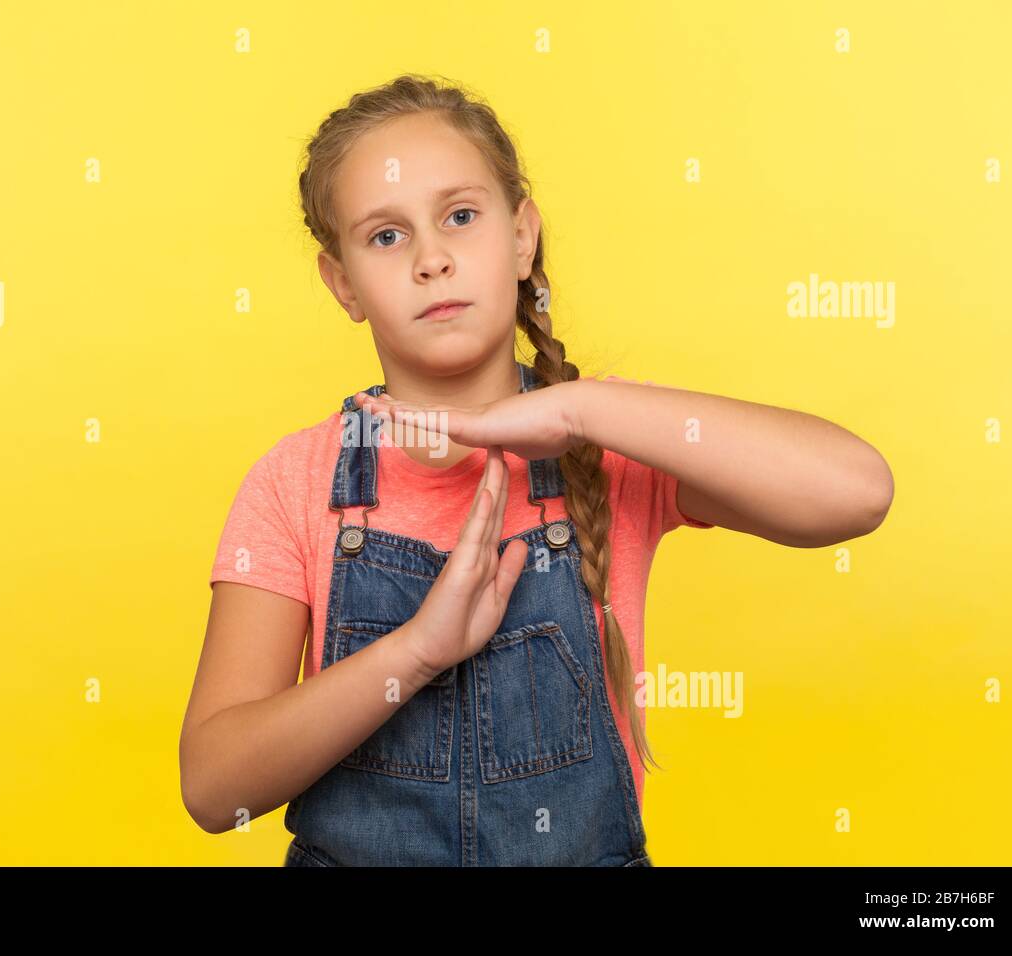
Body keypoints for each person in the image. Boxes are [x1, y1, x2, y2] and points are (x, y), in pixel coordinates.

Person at [182, 73, 894, 866]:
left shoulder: (612, 440)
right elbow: (215, 788)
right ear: (342, 281)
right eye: (387, 236)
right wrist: (415, 651)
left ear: (522, 238)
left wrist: (574, 412)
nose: (432, 260)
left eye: (460, 216)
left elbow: (858, 492)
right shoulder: (295, 480)